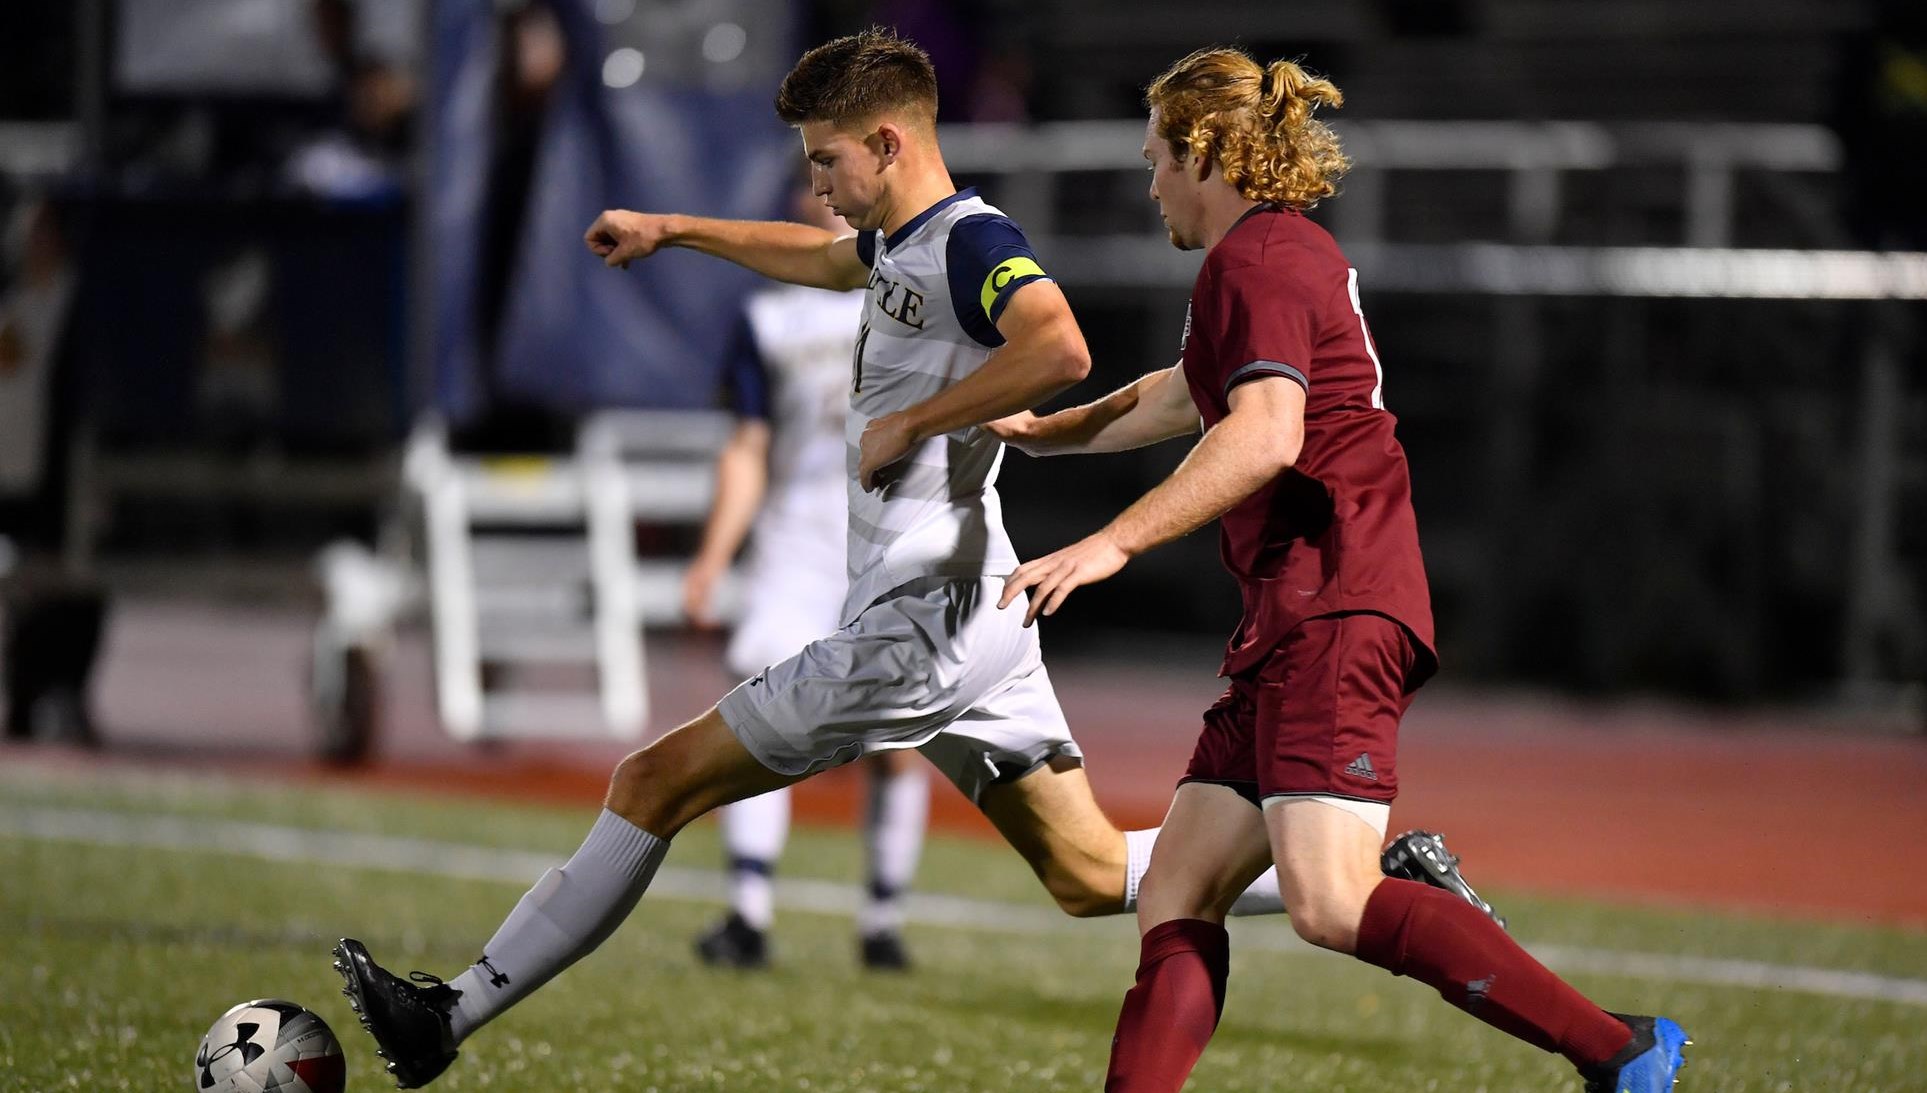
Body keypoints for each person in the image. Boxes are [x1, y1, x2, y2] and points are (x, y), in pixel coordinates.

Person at [330, 30, 1499, 1089]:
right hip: (971, 613)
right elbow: (828, 261)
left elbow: (1058, 342)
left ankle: (450, 1013)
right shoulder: (903, 241)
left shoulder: (975, 243)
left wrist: (916, 423)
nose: (820, 185)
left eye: (829, 160)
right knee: (1093, 873)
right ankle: (1369, 870)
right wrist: (674, 230)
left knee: (650, 782)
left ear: (889, 142)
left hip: (918, 629)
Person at [993, 47, 1689, 1093]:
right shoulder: (1265, 255)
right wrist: (1047, 433)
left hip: (1333, 601)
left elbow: (1266, 433)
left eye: (1155, 162)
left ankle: (1619, 1054)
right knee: (1175, 888)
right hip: (1296, 608)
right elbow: (1181, 395)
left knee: (1326, 902)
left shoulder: (1257, 263)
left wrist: (1112, 541)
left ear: (1207, 154)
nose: (1148, 187)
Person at [682, 184, 929, 971]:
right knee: (762, 710)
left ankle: (882, 918)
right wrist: (713, 556)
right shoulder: (769, 319)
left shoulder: (920, 293)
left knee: (901, 734)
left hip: (891, 536)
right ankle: (748, 911)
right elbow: (747, 449)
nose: (829, 192)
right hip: (796, 539)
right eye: (815, 174)